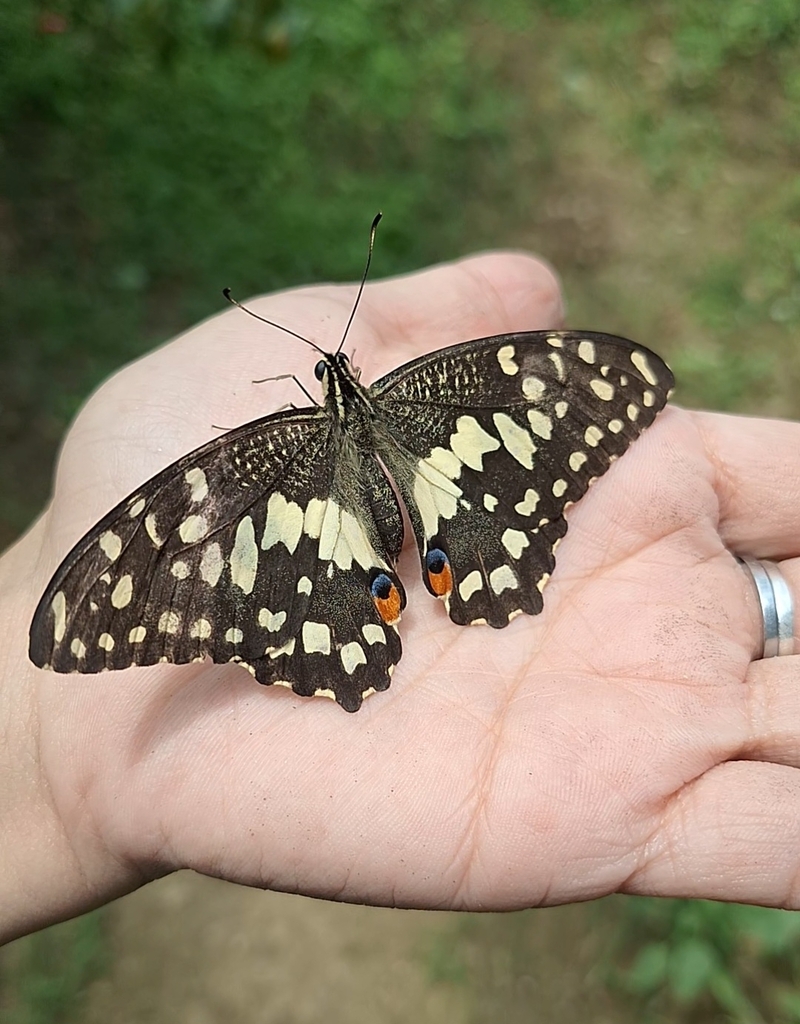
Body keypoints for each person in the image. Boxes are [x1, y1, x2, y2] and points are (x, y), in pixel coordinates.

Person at [1, 252, 797, 946]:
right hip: (431, 503)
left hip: (364, 539)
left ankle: (400, 587)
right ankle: (441, 573)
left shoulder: (275, 447)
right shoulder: (421, 397)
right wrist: (50, 753)